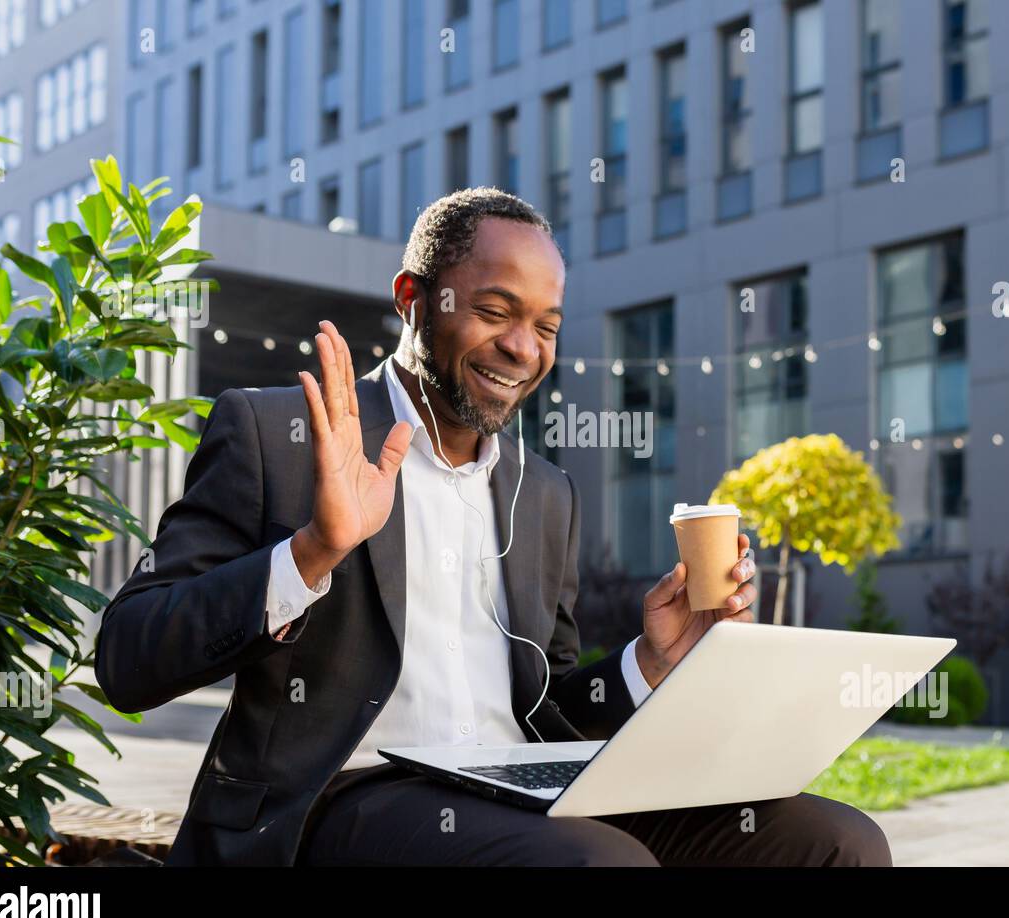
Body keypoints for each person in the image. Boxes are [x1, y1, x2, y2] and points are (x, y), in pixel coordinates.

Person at [95, 187, 891, 866]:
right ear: (412, 300)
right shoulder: (281, 434)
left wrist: (650, 662)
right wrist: (311, 553)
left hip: (517, 792)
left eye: (546, 325)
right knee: (596, 862)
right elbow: (129, 661)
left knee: (835, 841)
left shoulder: (544, 493)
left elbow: (549, 709)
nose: (522, 347)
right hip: (340, 801)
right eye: (494, 310)